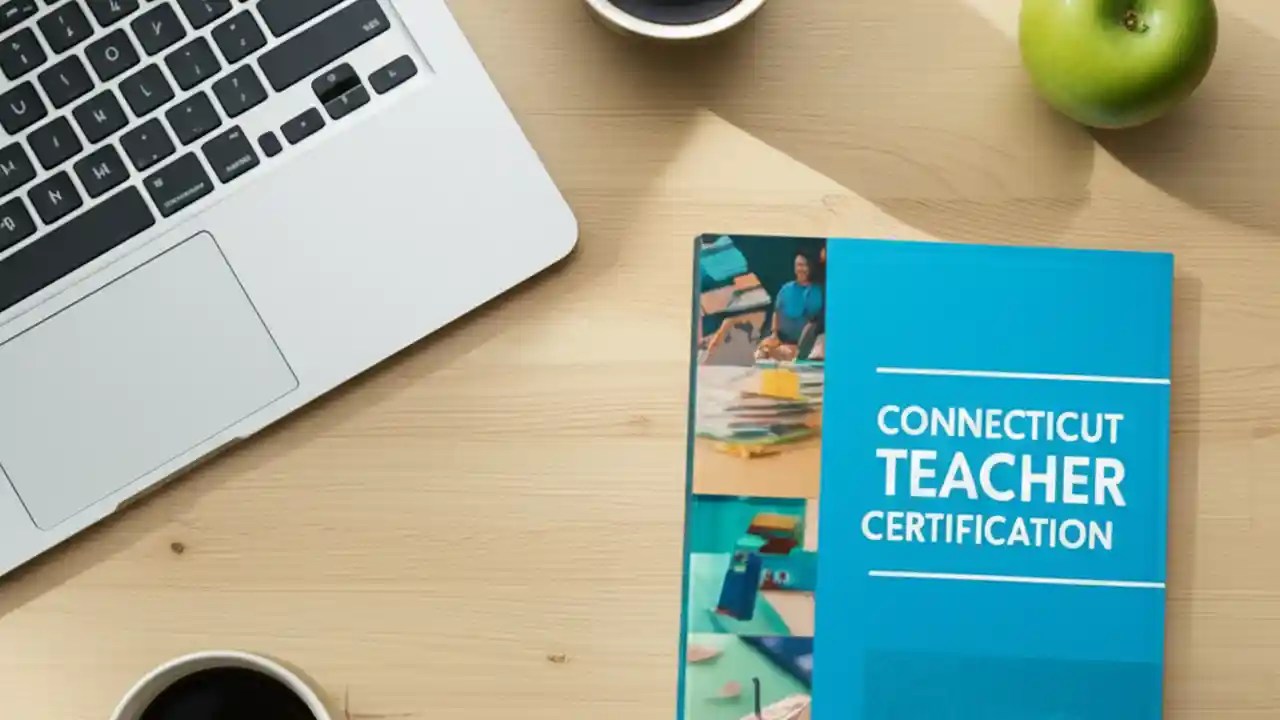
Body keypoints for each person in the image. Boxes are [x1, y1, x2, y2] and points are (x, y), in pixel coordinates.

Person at [758, 253, 823, 360]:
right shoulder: (786, 289)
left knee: (784, 353)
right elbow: (776, 312)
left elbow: (813, 324)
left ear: (810, 268)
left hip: (803, 345)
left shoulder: (816, 291)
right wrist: (774, 334)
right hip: (781, 339)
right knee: (761, 351)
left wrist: (801, 346)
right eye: (798, 265)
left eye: (804, 265)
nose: (801, 269)